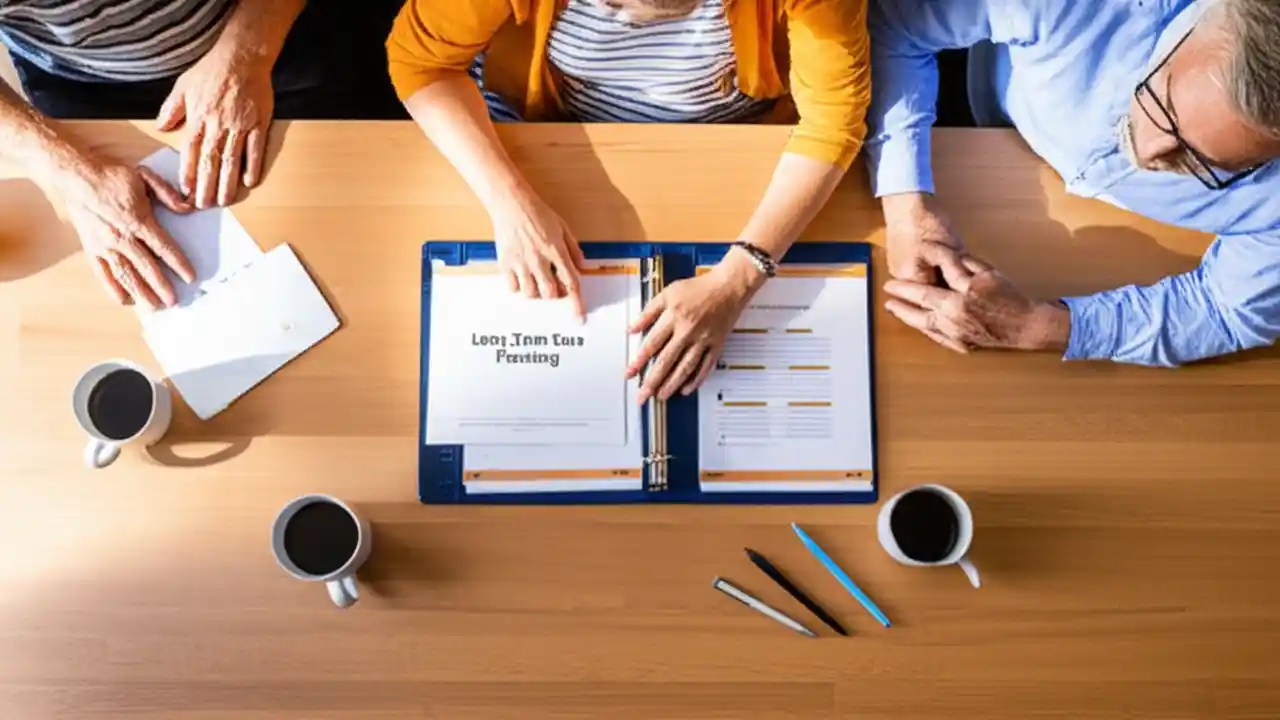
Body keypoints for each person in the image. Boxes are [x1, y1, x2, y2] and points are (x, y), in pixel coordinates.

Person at [386, 0, 869, 400]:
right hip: (550, 129)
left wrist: (737, 280)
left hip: (735, 142)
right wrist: (509, 202)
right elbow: (423, 63)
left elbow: (833, 120)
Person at [866, 0, 1280, 367]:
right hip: (963, 94)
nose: (1147, 152)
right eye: (1162, 103)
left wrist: (1043, 327)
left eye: (1205, 161)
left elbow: (1224, 311)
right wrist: (905, 200)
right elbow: (897, 26)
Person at [0, 0, 404, 310]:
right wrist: (63, 165)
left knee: (368, 238)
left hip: (275, 27)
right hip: (83, 85)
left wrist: (247, 51)